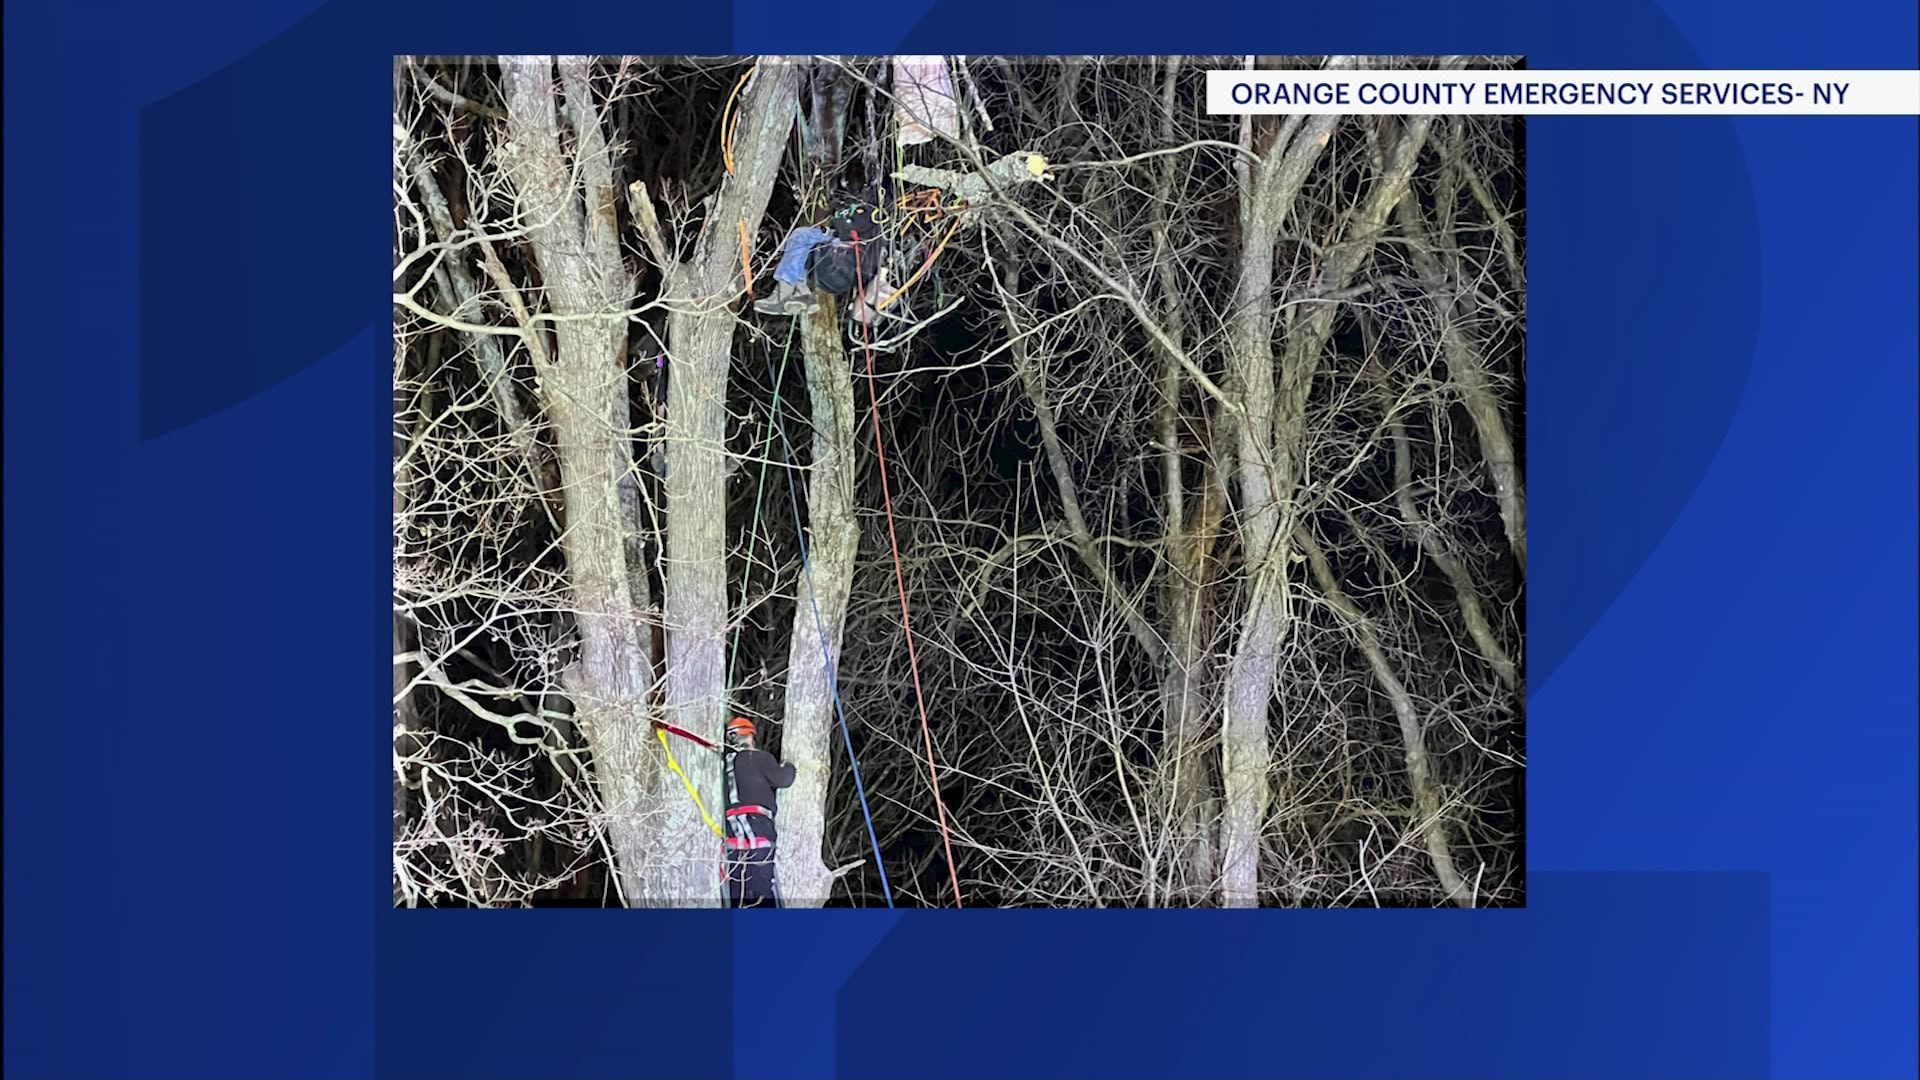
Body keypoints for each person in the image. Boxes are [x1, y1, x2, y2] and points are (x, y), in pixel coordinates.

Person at [721, 716, 796, 908]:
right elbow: (783, 779)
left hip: (731, 828)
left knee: (737, 882)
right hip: (758, 822)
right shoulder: (759, 758)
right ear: (750, 736)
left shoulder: (722, 766)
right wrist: (789, 766)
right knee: (762, 879)